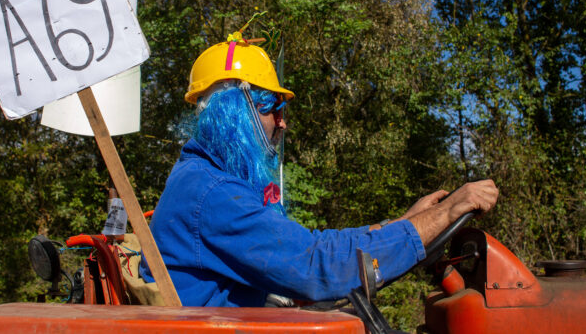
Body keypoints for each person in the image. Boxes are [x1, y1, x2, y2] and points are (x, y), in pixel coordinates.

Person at [141, 34, 498, 307]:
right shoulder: (212, 194)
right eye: (273, 107)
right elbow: (315, 266)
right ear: (232, 112)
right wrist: (447, 212)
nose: (283, 124)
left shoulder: (204, 180)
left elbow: (306, 246)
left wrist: (403, 224)